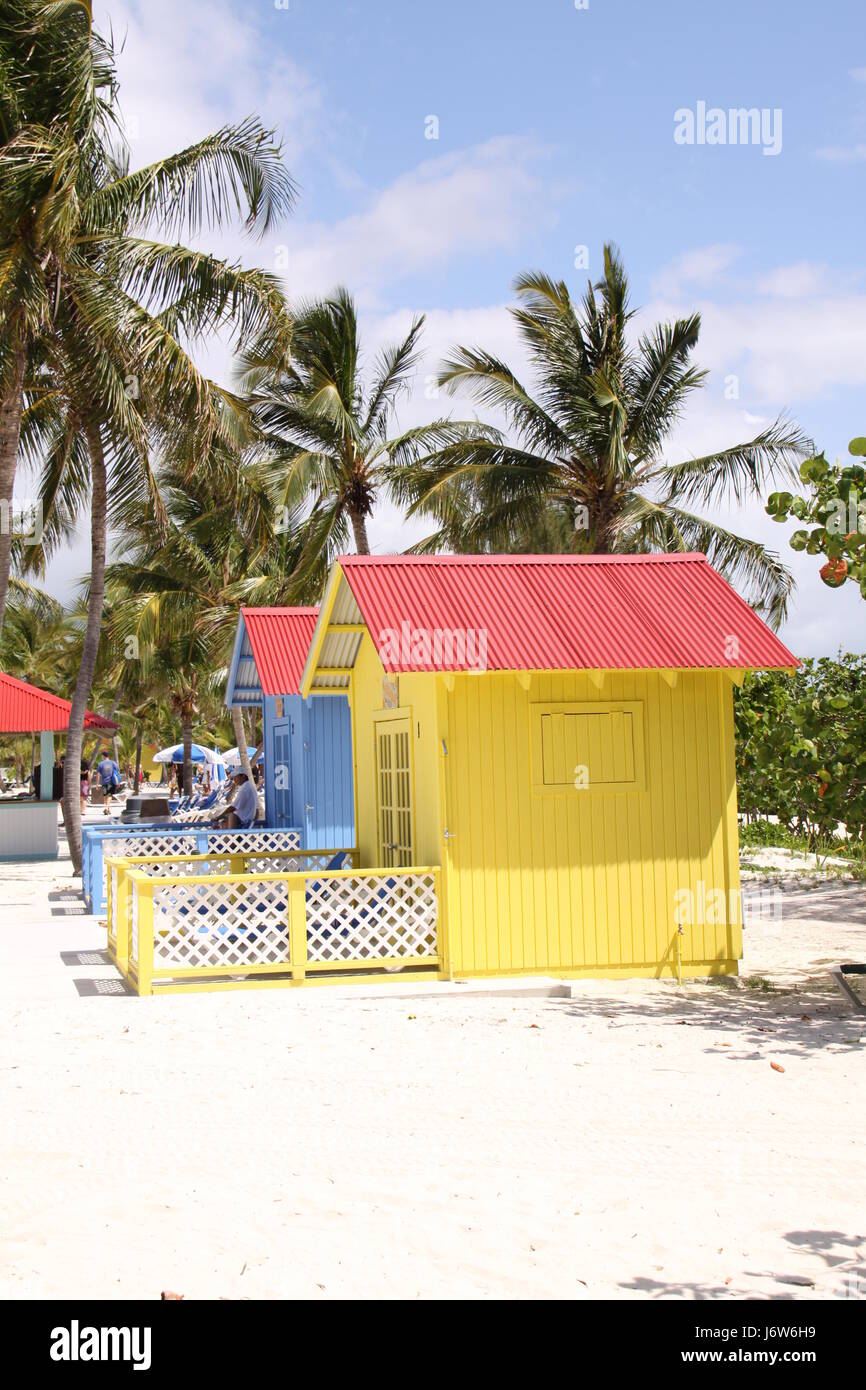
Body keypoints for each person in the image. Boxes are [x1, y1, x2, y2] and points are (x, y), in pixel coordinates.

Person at [96, 751, 120, 817]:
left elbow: (98, 774)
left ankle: (107, 809)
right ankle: (107, 808)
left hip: (104, 782)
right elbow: (117, 771)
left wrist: (97, 784)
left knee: (105, 795)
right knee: (109, 795)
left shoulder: (100, 764)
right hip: (111, 782)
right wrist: (118, 782)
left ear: (103, 756)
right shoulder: (113, 763)